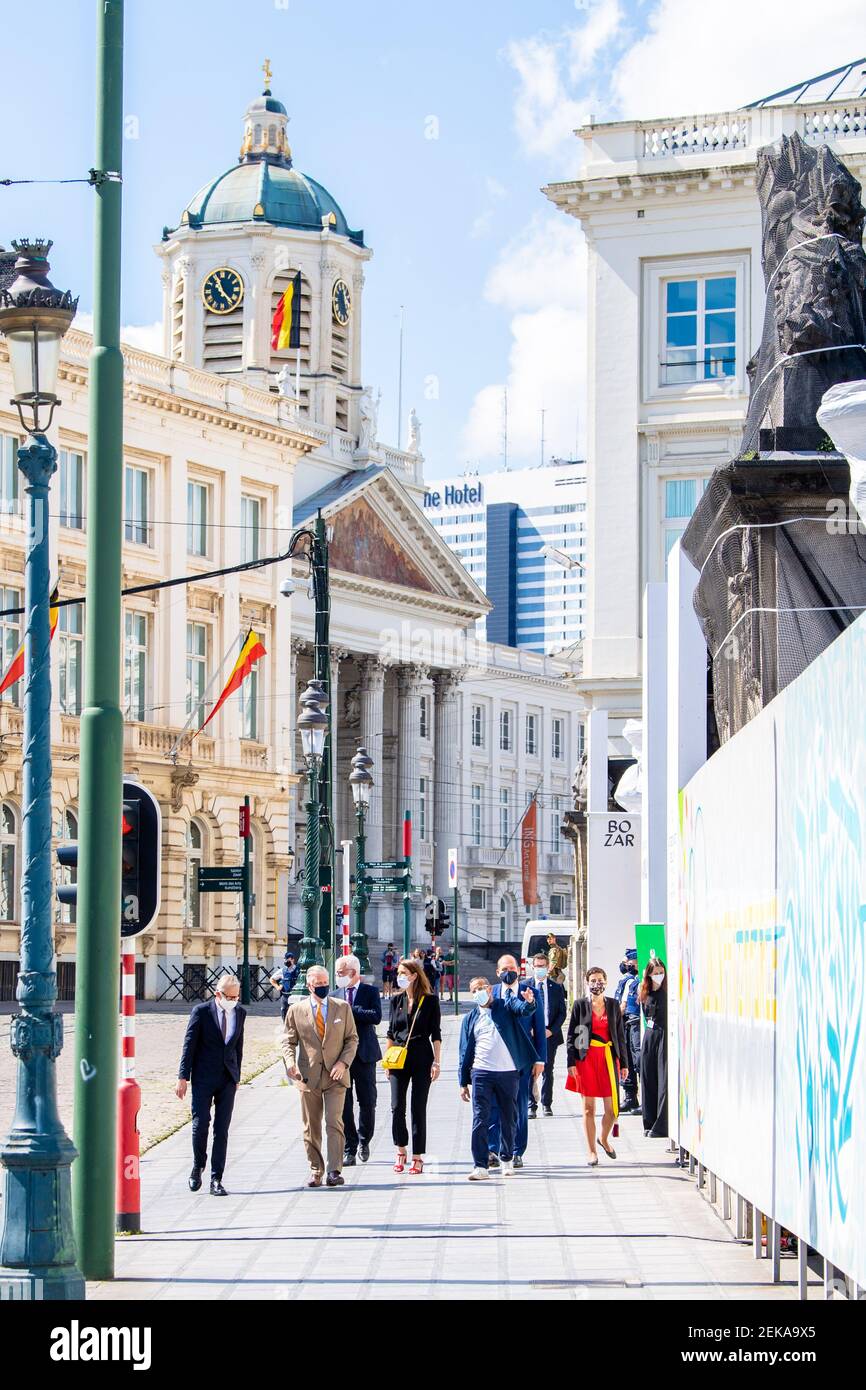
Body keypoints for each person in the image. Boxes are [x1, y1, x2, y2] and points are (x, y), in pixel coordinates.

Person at [281, 964, 359, 1188]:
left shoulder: (342, 1008)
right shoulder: (296, 1010)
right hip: (308, 1076)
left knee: (334, 1121)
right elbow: (289, 1040)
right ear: (309, 986)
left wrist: (343, 1063)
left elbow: (352, 1039)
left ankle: (334, 1170)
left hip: (336, 1075)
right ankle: (316, 1170)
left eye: (326, 984)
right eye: (318, 985)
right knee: (311, 1125)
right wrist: (290, 1063)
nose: (323, 988)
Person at [459, 975, 539, 1180]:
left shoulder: (505, 1005)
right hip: (481, 1072)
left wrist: (529, 1002)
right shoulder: (470, 1018)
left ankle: (507, 1158)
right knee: (480, 1119)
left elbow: (523, 1010)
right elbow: (464, 1051)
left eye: (481, 988)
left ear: (489, 988)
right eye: (473, 989)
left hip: (508, 1072)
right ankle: (480, 1165)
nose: (478, 992)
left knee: (508, 1117)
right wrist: (463, 1082)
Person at [176, 973, 246, 1196]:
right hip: (204, 1076)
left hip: (227, 1077)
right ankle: (198, 1165)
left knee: (222, 1130)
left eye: (236, 997)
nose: (233, 1001)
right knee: (201, 1123)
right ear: (218, 994)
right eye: (230, 997)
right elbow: (189, 1044)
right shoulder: (202, 1012)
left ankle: (217, 1178)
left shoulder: (240, 1013)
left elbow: (238, 1046)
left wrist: (237, 1076)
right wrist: (182, 1077)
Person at [486, 953, 545, 1170]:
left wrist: (540, 1060)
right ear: (497, 972)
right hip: (495, 1061)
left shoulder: (530, 993)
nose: (507, 972)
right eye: (503, 969)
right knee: (493, 1106)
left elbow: (539, 1029)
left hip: (521, 1061)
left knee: (519, 1106)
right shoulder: (490, 993)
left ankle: (518, 1151)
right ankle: (493, 1148)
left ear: (518, 970)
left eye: (511, 967)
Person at [566, 965, 629, 1166]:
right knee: (588, 1109)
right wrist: (571, 1062)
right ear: (587, 983)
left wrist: (625, 1063)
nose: (596, 984)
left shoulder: (613, 1005)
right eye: (593, 980)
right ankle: (592, 1151)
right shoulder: (580, 1005)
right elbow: (573, 1036)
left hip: (608, 1058)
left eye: (600, 980)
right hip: (586, 1058)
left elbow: (620, 1035)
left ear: (606, 981)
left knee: (612, 1109)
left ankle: (603, 1138)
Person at [387, 957, 442, 1174]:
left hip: (421, 1056)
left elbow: (436, 1034)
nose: (399, 977)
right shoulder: (396, 1001)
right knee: (396, 1106)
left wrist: (437, 1062)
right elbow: (391, 1033)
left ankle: (417, 1156)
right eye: (398, 973)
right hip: (398, 1058)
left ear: (414, 976)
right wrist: (387, 1062)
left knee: (417, 1107)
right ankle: (401, 1150)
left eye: (403, 973)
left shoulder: (430, 1001)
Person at [334, 952, 382, 1166]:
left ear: (353, 973)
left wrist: (351, 1011)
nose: (338, 975)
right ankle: (349, 1147)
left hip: (364, 1053)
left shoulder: (370, 991)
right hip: (341, 1056)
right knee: (344, 1103)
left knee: (368, 1100)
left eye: (341, 972)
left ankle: (365, 1139)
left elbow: (376, 1016)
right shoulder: (334, 994)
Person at [528, 953, 567, 1117]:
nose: (540, 969)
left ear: (548, 967)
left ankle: (546, 1103)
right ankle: (531, 1104)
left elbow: (562, 1013)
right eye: (537, 966)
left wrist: (551, 1030)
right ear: (533, 967)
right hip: (530, 1035)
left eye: (543, 966)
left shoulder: (556, 988)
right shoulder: (525, 986)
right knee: (530, 1070)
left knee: (547, 1070)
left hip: (549, 1034)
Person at [639, 957, 668, 1138]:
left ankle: (661, 1124)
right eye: (655, 973)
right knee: (648, 1077)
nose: (659, 976)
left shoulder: (667, 992)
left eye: (661, 972)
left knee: (663, 1080)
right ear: (649, 974)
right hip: (650, 1036)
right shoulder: (645, 992)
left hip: (664, 1036)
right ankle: (648, 1121)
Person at [616, 949, 641, 1113]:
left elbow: (625, 1005)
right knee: (628, 1061)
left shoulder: (638, 981)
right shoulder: (628, 981)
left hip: (636, 1022)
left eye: (628, 963)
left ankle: (641, 1098)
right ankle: (630, 1097)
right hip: (626, 1022)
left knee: (638, 1059)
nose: (625, 965)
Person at [270, 951, 299, 1022]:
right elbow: (272, 979)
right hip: (285, 996)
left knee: (296, 1013)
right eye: (285, 960)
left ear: (292, 960)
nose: (286, 962)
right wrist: (277, 987)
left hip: (295, 996)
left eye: (288, 960)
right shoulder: (282, 971)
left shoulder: (298, 970)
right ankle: (285, 1027)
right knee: (284, 1012)